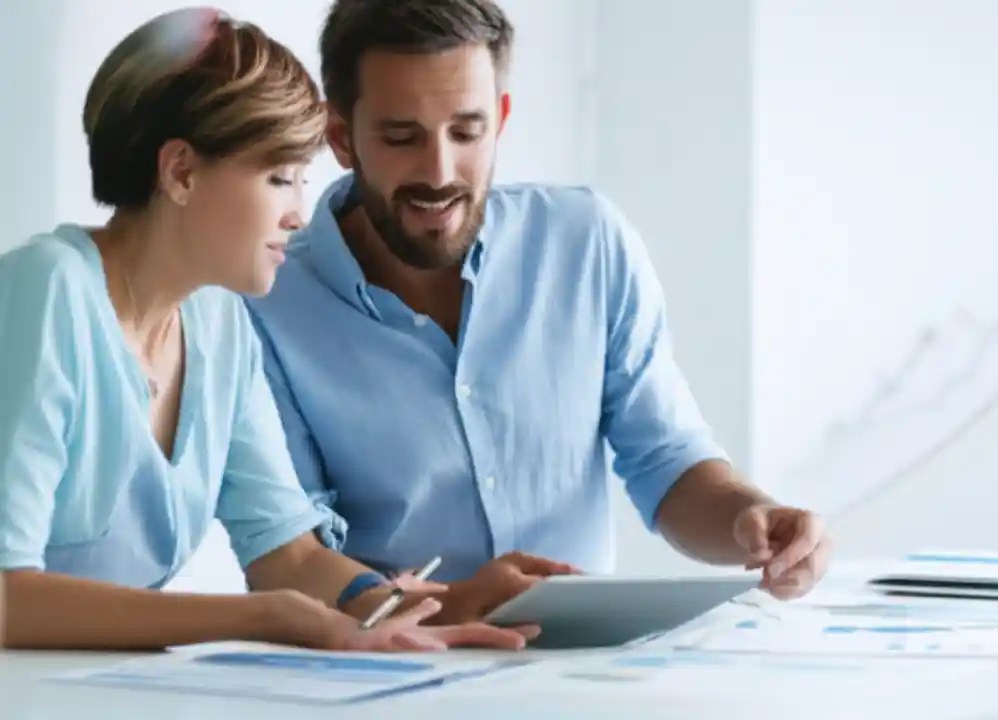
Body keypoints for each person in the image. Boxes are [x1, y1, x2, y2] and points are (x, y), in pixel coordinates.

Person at [247, 0, 833, 623]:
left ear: (499, 119)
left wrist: (752, 519)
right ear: (341, 137)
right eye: (401, 138)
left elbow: (666, 460)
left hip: (582, 672)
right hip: (388, 671)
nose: (439, 172)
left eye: (466, 132)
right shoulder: (268, 301)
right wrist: (456, 608)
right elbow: (289, 556)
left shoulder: (586, 242)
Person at [0, 7, 534, 652]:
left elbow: (290, 554)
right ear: (181, 172)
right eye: (280, 177)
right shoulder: (46, 291)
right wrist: (261, 617)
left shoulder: (219, 322)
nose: (298, 214)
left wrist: (397, 607)